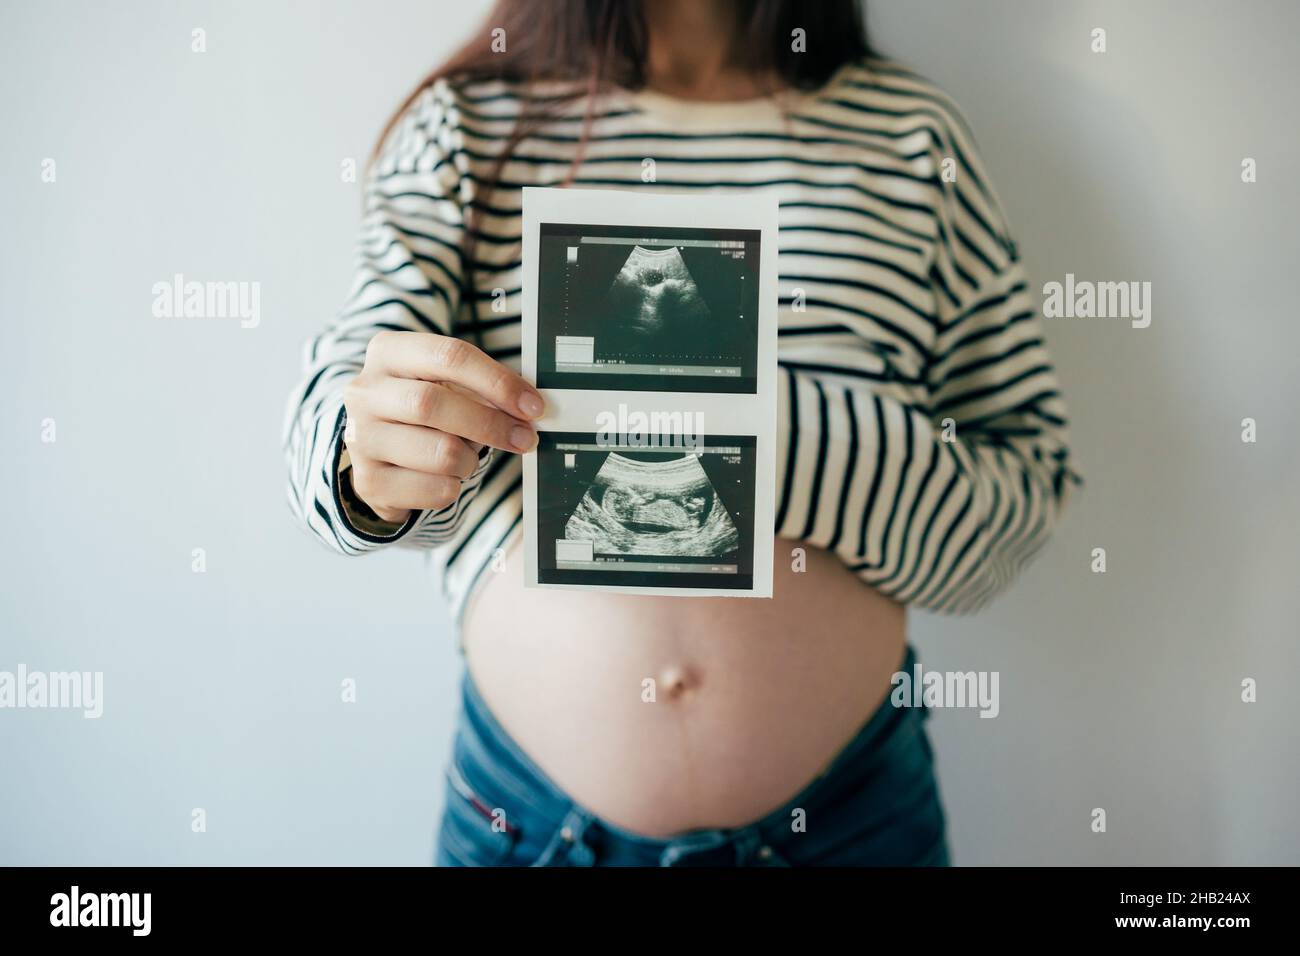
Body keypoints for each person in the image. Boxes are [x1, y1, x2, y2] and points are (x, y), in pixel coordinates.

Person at [283, 0, 1079, 866]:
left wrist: (786, 443)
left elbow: (1024, 490)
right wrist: (368, 471)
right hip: (532, 827)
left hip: (852, 824)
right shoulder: (465, 130)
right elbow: (339, 418)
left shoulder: (912, 137)